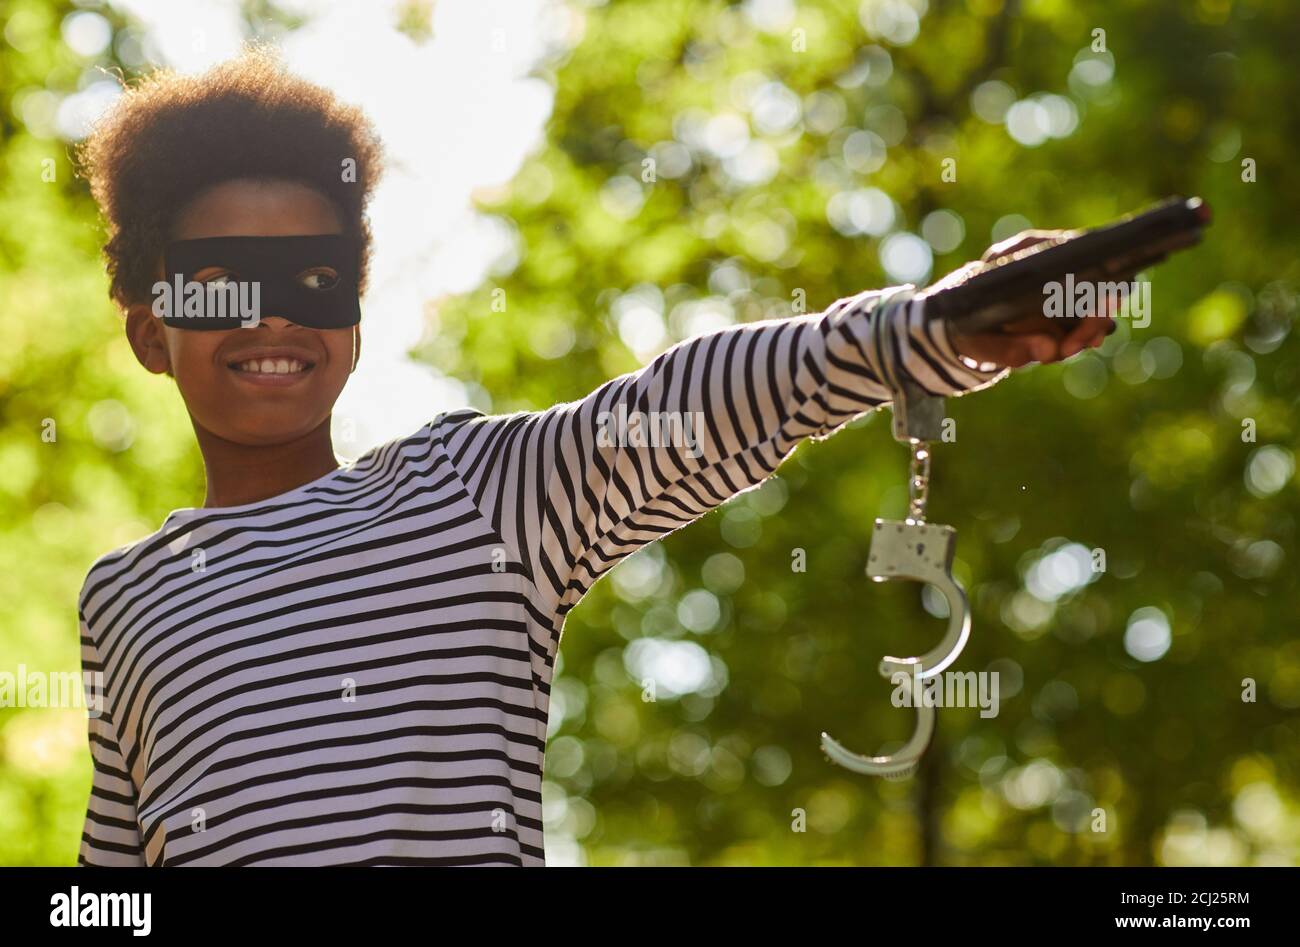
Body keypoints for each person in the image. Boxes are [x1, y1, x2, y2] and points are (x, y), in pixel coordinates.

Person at [73, 48, 1116, 866]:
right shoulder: (119, 599)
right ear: (150, 332)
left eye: (311, 275)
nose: (272, 314)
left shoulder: (469, 497)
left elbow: (684, 404)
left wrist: (924, 329)